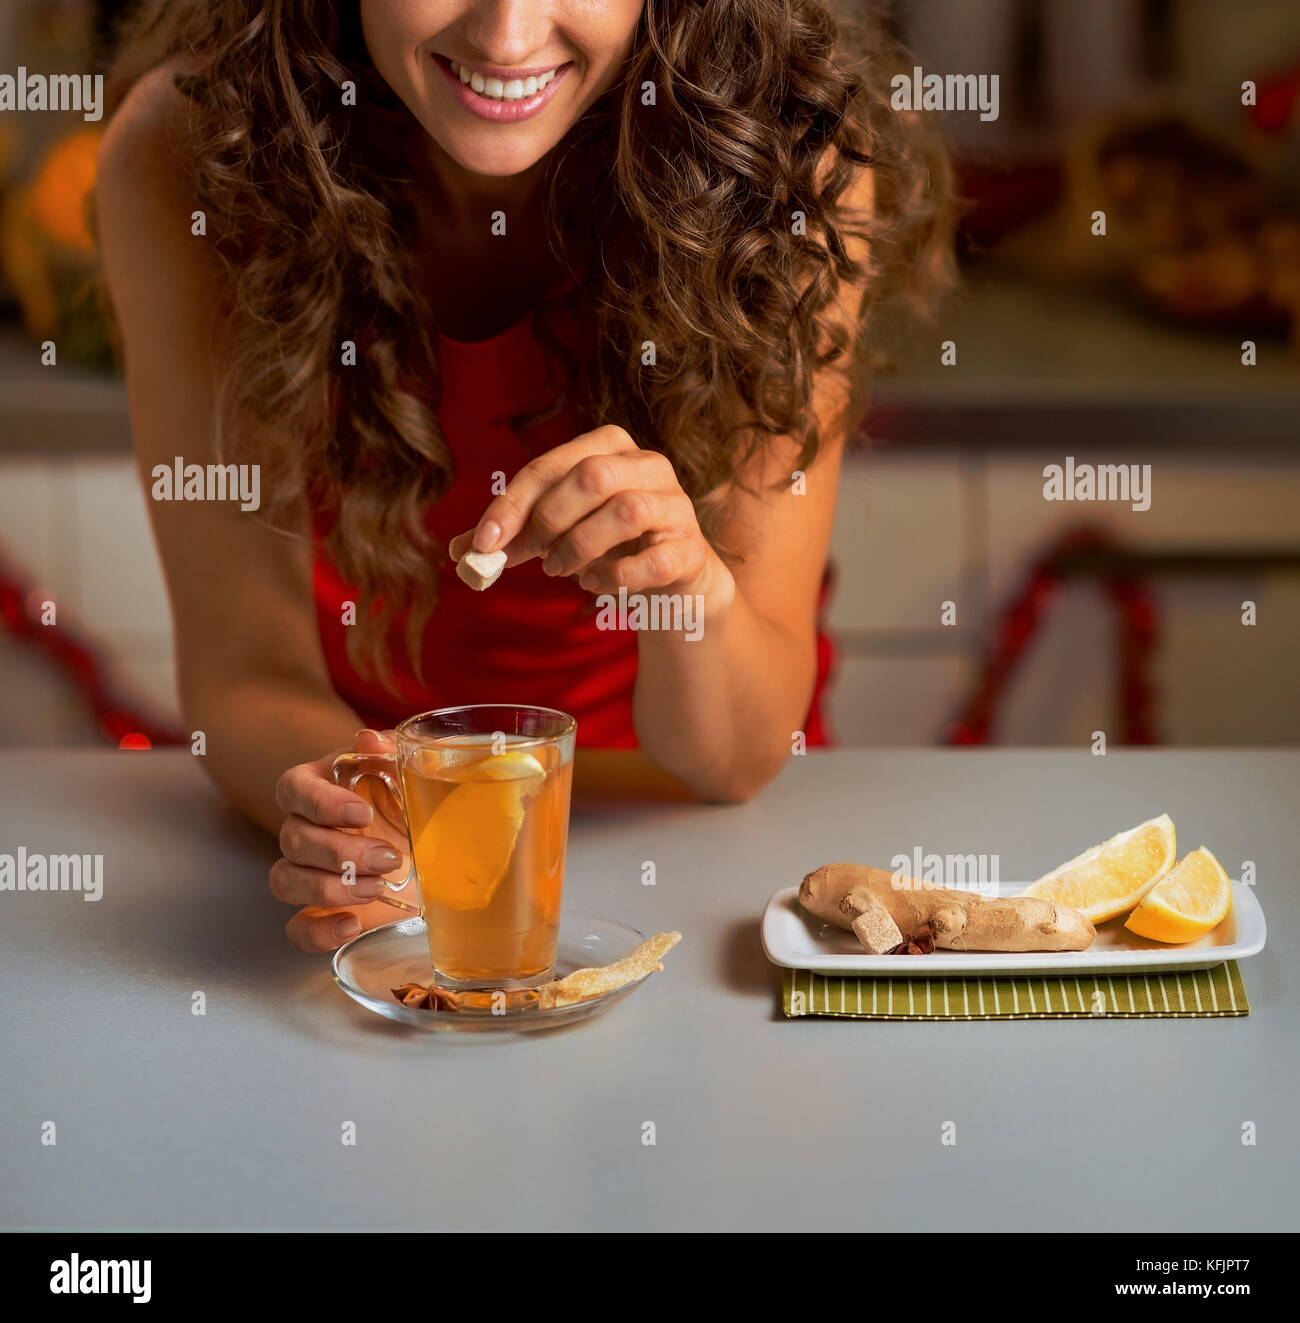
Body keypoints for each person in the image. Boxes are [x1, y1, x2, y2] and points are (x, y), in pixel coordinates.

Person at [96, 0, 950, 952]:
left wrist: (690, 591)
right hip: (397, 847)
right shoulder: (189, 149)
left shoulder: (795, 158)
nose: (507, 37)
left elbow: (735, 761)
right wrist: (362, 809)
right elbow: (246, 673)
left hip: (704, 850)